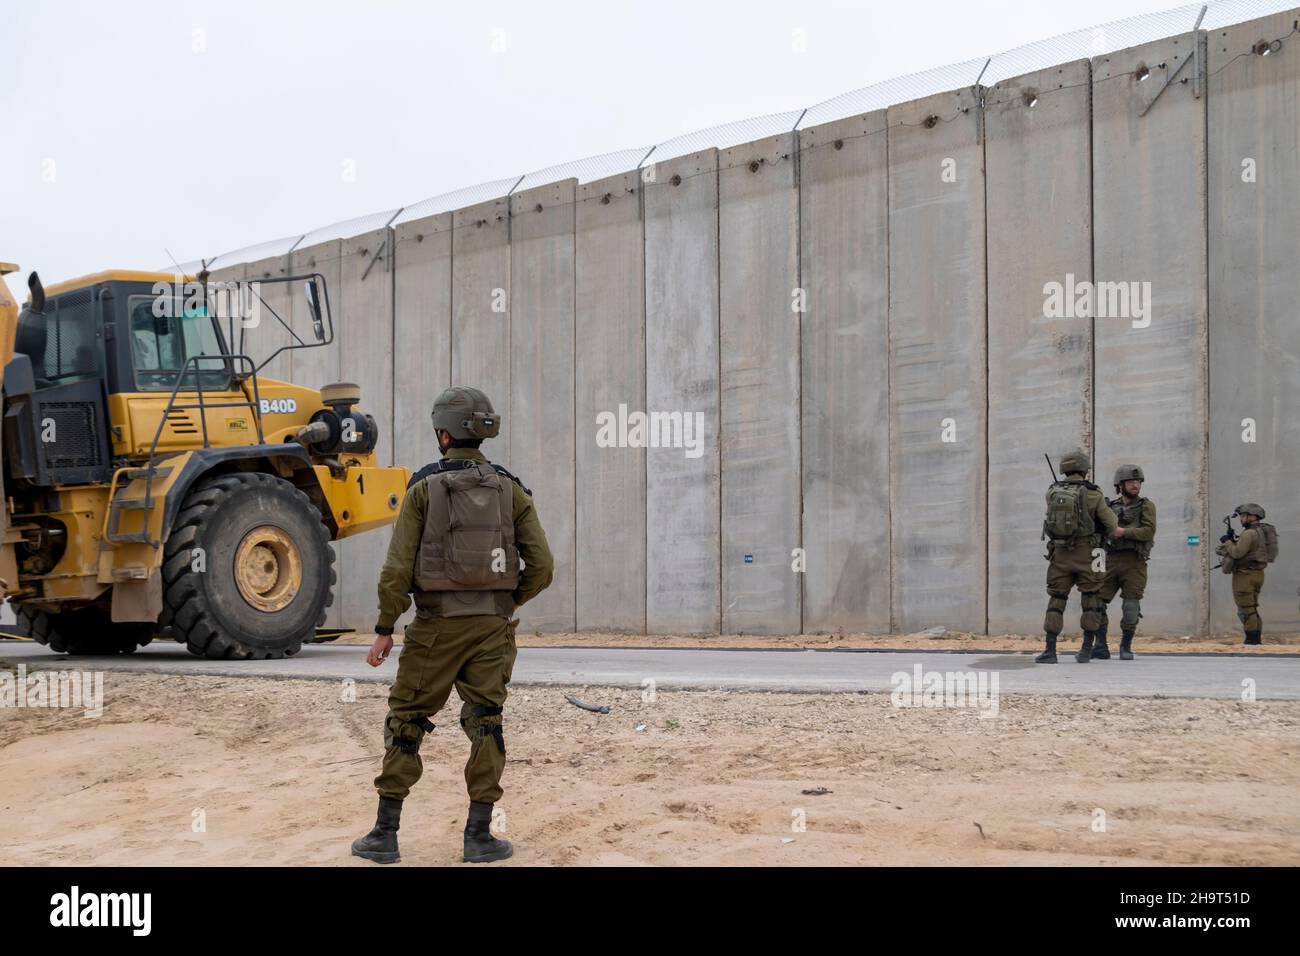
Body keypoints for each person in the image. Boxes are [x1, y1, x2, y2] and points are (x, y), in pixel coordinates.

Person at [351, 386, 553, 864]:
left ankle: (385, 836)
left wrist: (385, 626)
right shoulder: (511, 489)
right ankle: (480, 836)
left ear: (443, 432)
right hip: (493, 628)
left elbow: (396, 570)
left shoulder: (423, 488)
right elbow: (542, 566)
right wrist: (504, 602)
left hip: (436, 626)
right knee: (486, 721)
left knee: (407, 721)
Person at [1037, 449, 1120, 664]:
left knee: (1056, 600)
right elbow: (1112, 526)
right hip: (1088, 555)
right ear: (1084, 469)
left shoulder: (1052, 492)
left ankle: (1050, 651)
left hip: (1060, 555)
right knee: (1090, 600)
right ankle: (1085, 650)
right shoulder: (1094, 494)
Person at [1094, 464, 1156, 660]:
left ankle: (1126, 646)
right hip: (1110, 559)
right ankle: (1101, 645)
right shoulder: (1110, 507)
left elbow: (1148, 531)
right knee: (1096, 602)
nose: (1135, 485)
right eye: (1130, 482)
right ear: (1120, 485)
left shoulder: (1146, 506)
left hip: (1134, 561)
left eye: (1137, 482)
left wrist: (1124, 532)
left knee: (1131, 606)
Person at [1216, 503, 1276, 646]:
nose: (1241, 519)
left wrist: (1227, 542)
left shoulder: (1249, 533)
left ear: (1253, 516)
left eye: (1244, 516)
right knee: (1252, 607)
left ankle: (1252, 640)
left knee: (1246, 609)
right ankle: (1255, 638)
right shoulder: (1260, 531)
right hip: (1257, 574)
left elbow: (1237, 552)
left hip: (1245, 576)